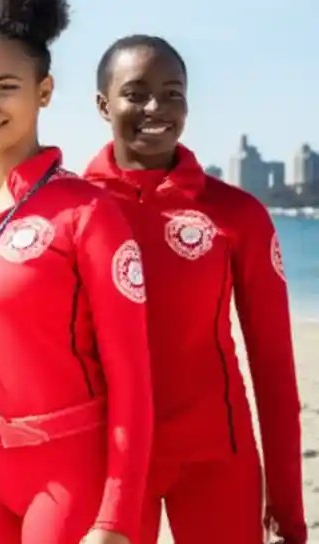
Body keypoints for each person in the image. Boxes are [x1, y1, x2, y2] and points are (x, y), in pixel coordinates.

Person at [0, 0, 153, 544]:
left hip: (66, 475)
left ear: (44, 91)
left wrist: (116, 518)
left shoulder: (88, 215)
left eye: (7, 87)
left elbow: (132, 380)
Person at [83, 36, 305, 543]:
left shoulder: (237, 215)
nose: (156, 108)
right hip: (106, 460)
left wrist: (288, 507)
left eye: (172, 93)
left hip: (214, 455)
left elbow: (273, 367)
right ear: (103, 104)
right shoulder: (74, 209)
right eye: (135, 93)